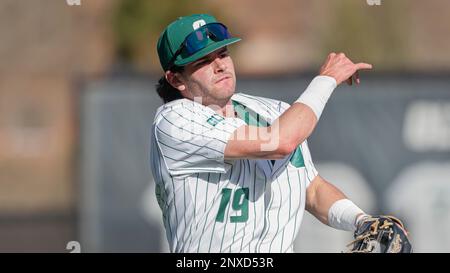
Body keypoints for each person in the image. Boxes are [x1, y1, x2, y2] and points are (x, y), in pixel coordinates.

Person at [150, 13, 403, 253]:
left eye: (223, 54)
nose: (219, 66)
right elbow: (279, 142)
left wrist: (361, 221)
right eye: (203, 61)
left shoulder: (274, 112)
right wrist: (326, 79)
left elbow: (312, 190)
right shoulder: (175, 121)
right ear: (175, 79)